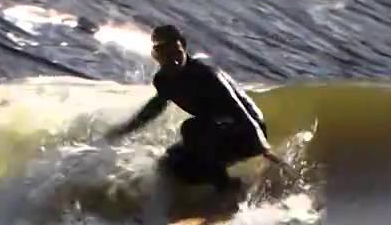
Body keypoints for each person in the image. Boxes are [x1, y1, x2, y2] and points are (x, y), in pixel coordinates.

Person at [103, 24, 288, 193]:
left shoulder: (206, 75)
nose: (174, 60)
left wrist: (264, 148)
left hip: (246, 132)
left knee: (191, 128)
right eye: (167, 56)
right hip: (217, 133)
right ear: (156, 56)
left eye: (177, 53)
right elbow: (154, 109)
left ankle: (223, 188)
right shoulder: (164, 81)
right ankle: (233, 186)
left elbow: (242, 113)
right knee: (170, 163)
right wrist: (123, 131)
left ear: (184, 49)